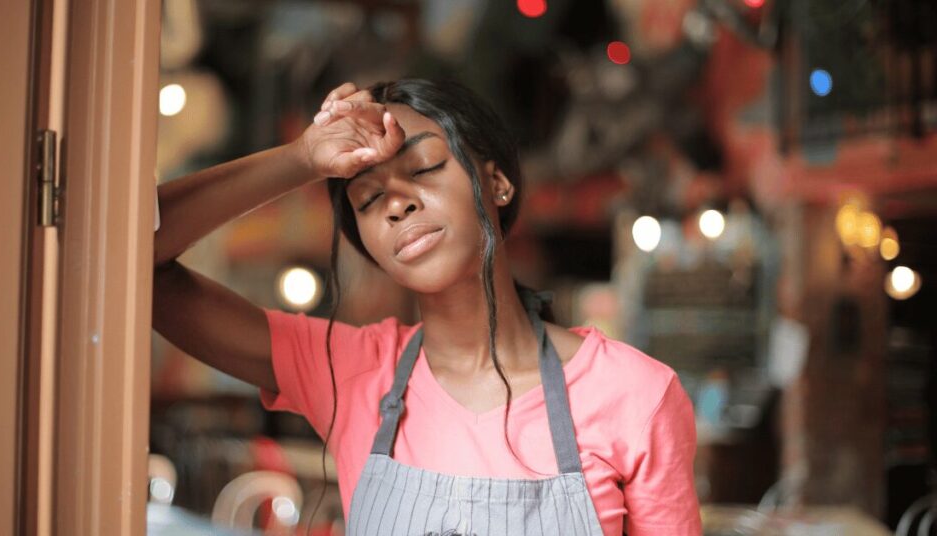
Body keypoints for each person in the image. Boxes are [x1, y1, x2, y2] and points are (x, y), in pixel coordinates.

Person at [153, 78, 702, 535]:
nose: (397, 203)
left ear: (498, 182)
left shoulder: (636, 395)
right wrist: (301, 159)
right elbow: (138, 261)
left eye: (423, 170)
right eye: (368, 199)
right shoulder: (351, 371)